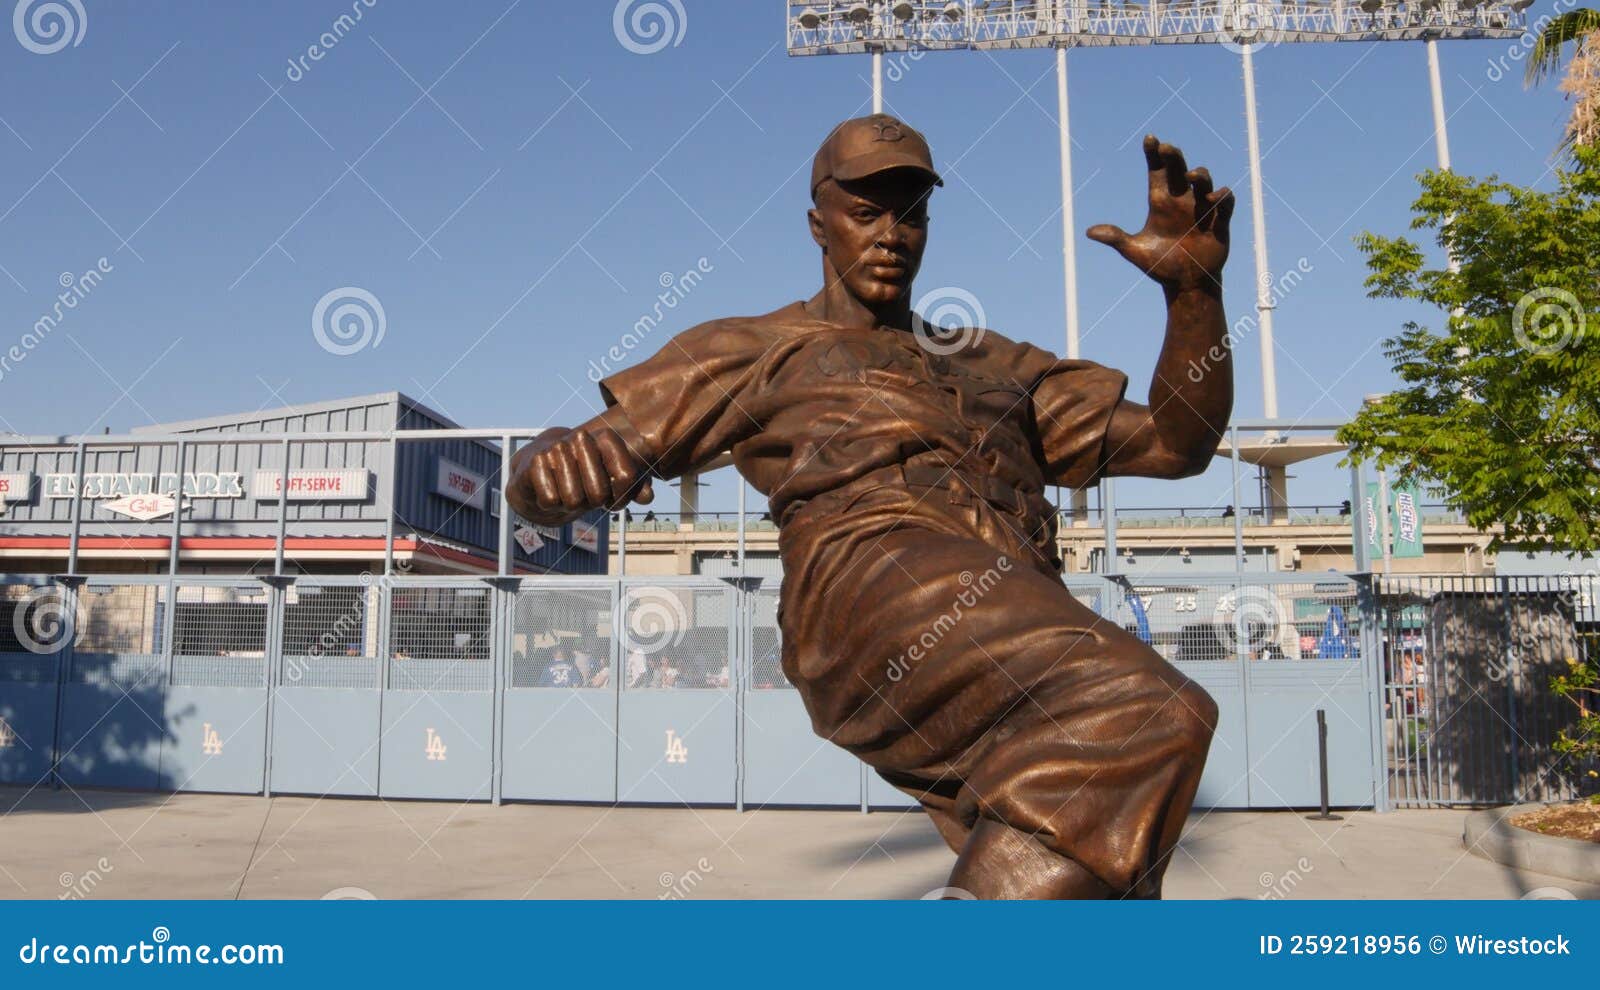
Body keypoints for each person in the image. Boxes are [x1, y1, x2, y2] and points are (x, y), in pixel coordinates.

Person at [507, 115, 1234, 899]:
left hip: (1001, 599)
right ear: (819, 224)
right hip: (873, 582)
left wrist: (1193, 294)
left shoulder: (994, 363)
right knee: (1150, 706)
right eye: (866, 214)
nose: (891, 235)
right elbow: (565, 464)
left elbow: (1174, 444)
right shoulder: (758, 347)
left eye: (911, 215)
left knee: (1094, 864)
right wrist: (544, 469)